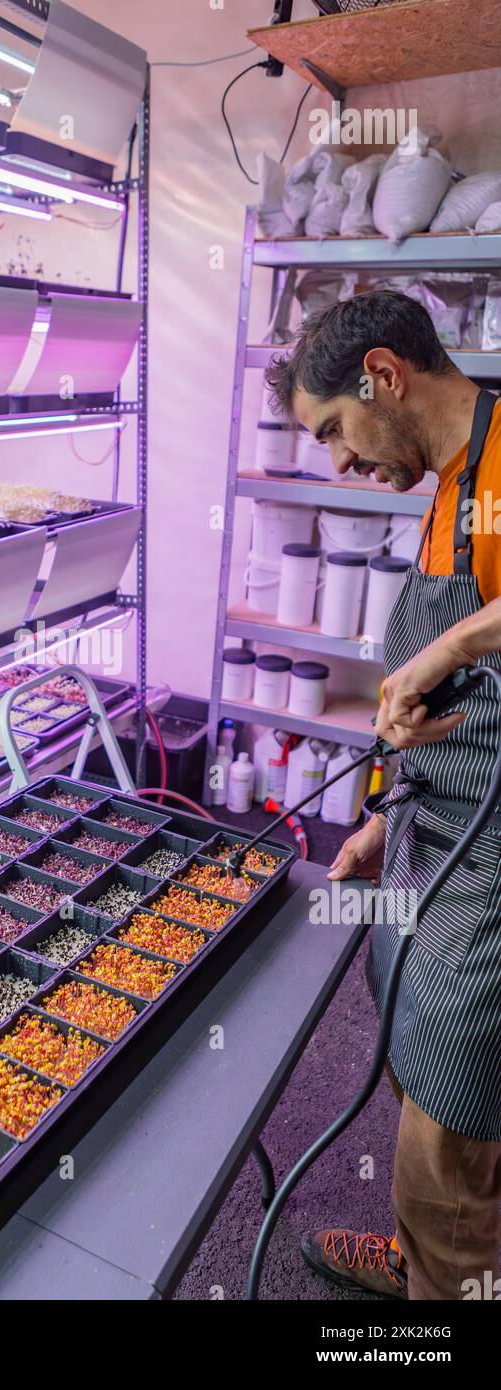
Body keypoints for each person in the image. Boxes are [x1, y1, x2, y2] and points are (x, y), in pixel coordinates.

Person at [266, 289, 501, 1301]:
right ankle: (414, 1263)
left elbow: (460, 652)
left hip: (492, 855)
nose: (339, 462)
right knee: (404, 1024)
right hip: (433, 826)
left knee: (449, 1115)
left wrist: (450, 639)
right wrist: (379, 812)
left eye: (334, 430)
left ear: (383, 378)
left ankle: (438, 1297)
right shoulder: (451, 484)